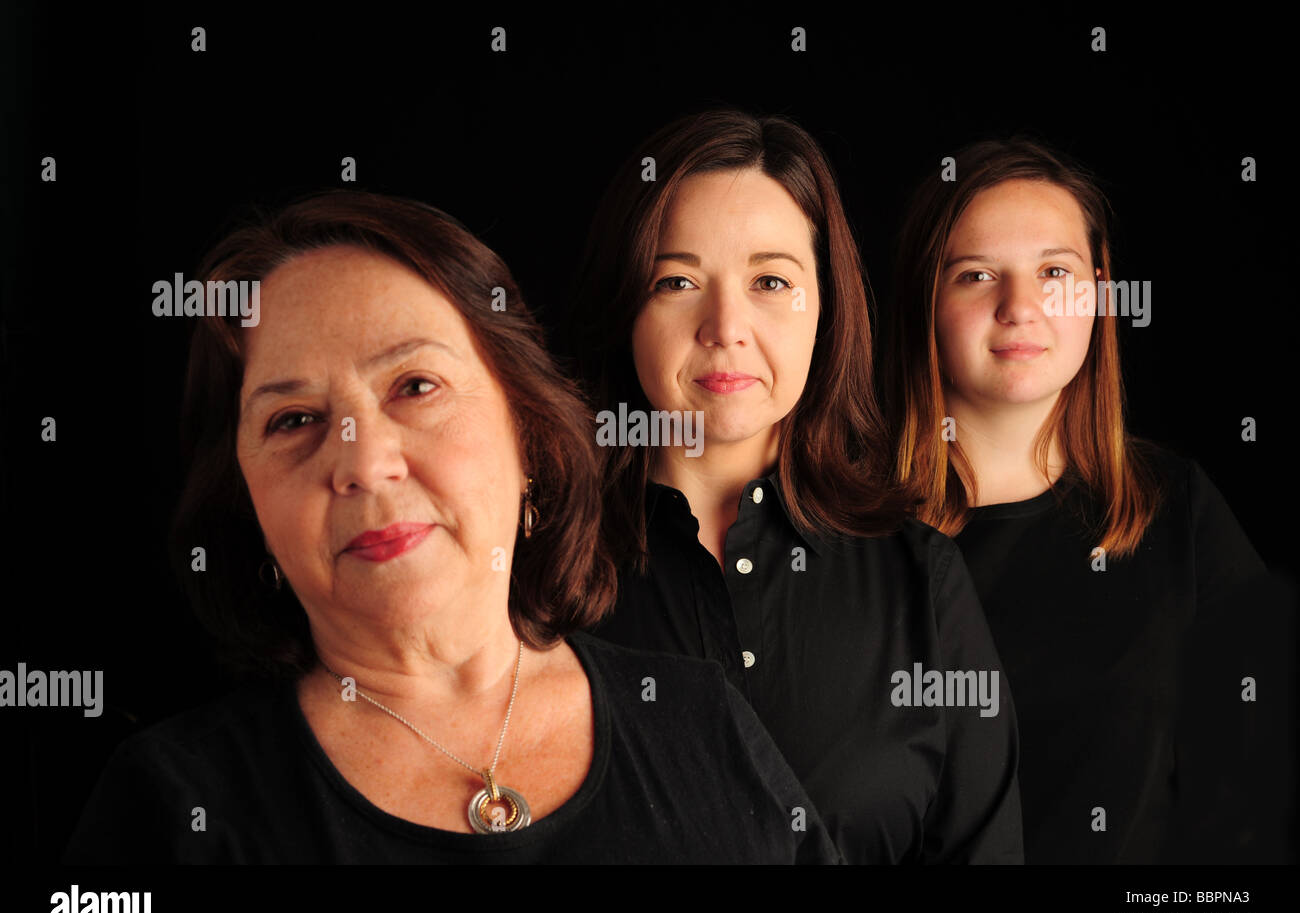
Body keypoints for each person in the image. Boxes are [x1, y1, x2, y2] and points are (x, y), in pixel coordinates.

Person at [63, 191, 840, 864]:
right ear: (248, 504)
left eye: (415, 385)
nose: (364, 462)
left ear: (529, 438)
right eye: (293, 419)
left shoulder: (701, 720)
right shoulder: (170, 805)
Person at [566, 109, 1023, 864]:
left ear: (828, 308)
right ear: (627, 306)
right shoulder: (537, 571)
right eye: (676, 280)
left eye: (771, 280)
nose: (727, 325)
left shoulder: (920, 580)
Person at [878, 137, 1287, 862]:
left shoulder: (1177, 509)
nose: (1020, 307)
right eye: (976, 274)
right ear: (925, 298)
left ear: (1099, 291)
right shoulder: (851, 526)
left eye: (1054, 272)